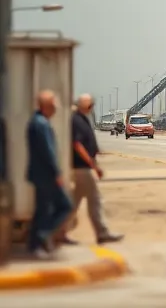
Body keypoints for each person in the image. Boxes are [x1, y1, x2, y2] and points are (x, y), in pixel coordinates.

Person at [65, 94, 123, 245]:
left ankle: (59, 231)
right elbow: (77, 144)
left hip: (82, 167)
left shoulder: (82, 119)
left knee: (74, 202)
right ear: (86, 106)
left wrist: (96, 151)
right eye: (91, 105)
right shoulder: (76, 120)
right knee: (95, 200)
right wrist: (93, 164)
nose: (92, 108)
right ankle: (102, 233)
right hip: (82, 167)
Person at [26, 90, 73, 258]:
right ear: (47, 106)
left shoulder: (37, 121)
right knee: (64, 206)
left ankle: (36, 242)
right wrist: (57, 173)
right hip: (46, 175)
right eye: (54, 106)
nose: (56, 109)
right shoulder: (41, 124)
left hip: (41, 174)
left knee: (42, 210)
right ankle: (40, 239)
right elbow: (47, 152)